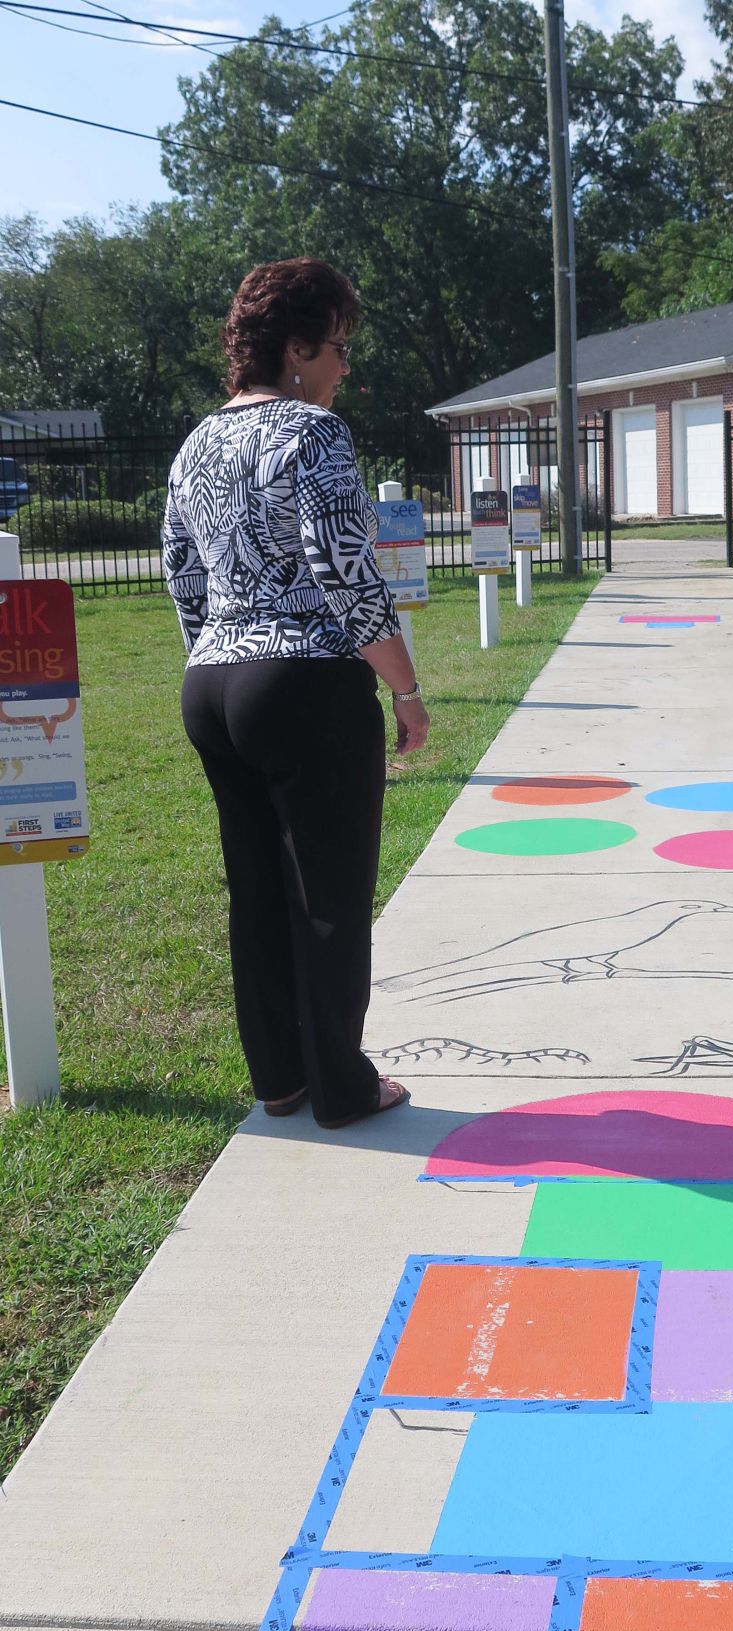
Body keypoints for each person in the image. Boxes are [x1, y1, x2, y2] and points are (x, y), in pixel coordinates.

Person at [163, 257, 429, 1127]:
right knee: (329, 898)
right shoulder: (312, 437)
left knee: (259, 893)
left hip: (214, 683)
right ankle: (344, 1090)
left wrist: (221, 657)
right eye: (340, 349)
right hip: (305, 679)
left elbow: (183, 575)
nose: (346, 369)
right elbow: (346, 572)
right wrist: (405, 690)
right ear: (296, 349)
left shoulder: (196, 442)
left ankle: (280, 1079)